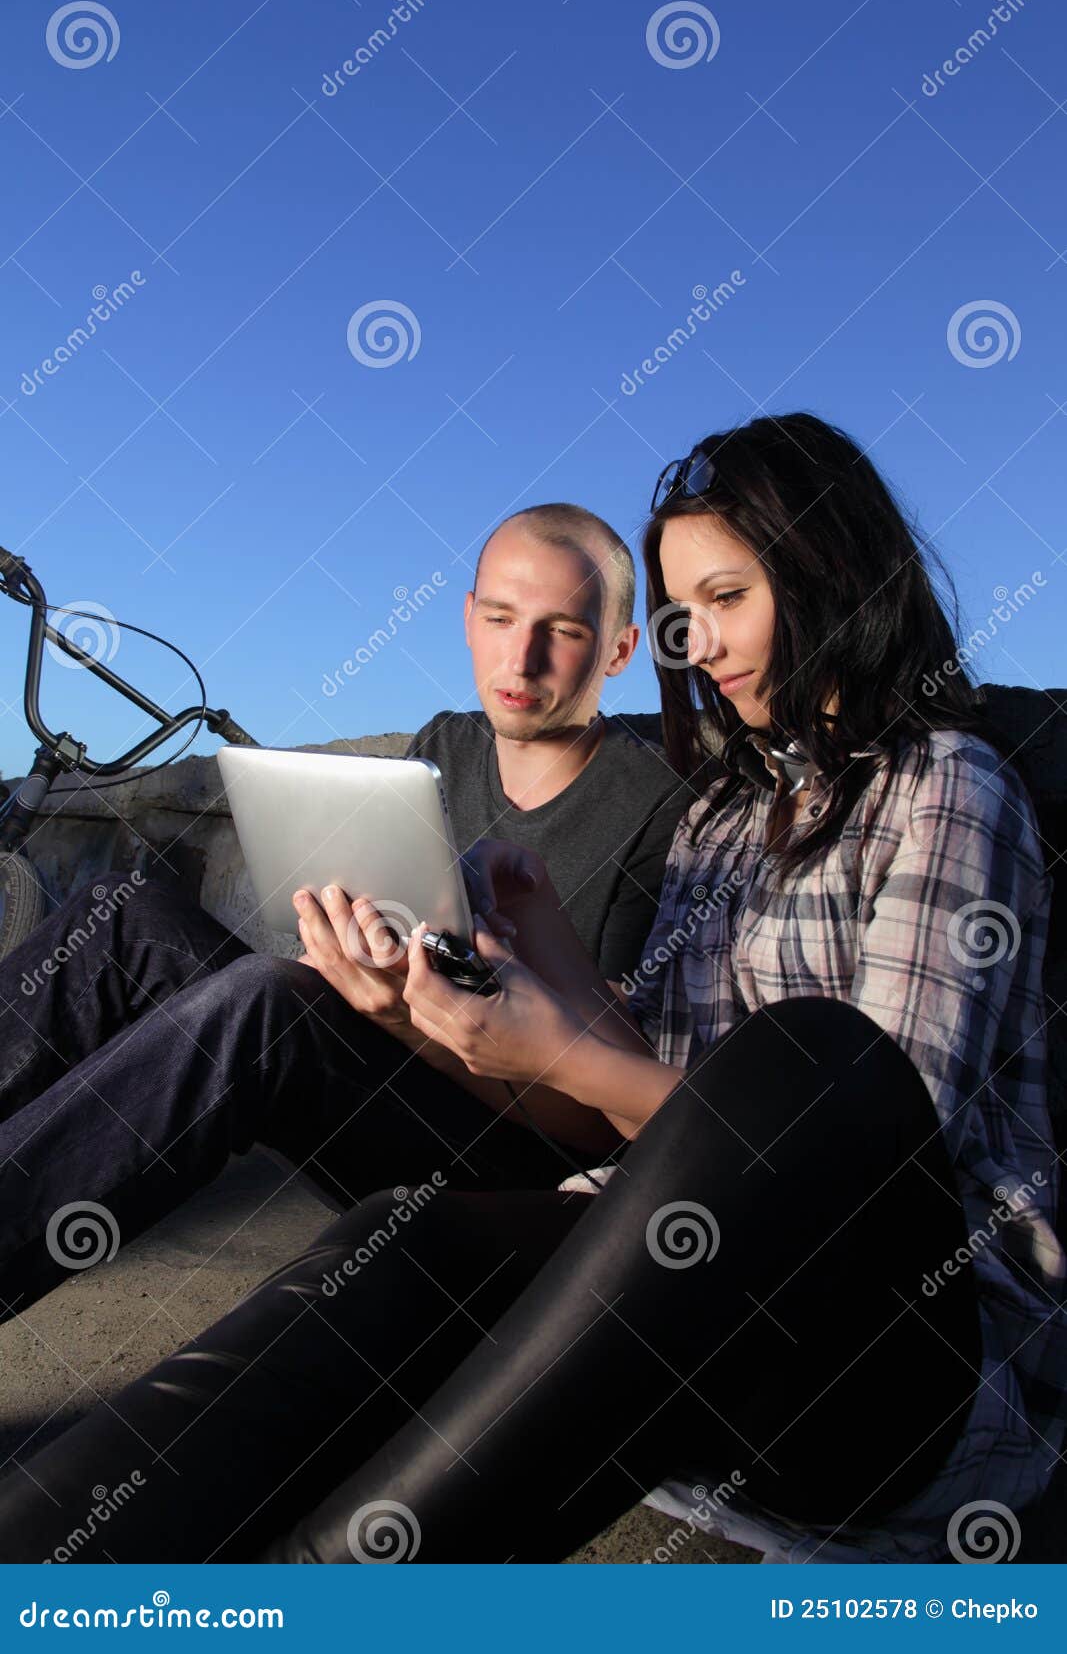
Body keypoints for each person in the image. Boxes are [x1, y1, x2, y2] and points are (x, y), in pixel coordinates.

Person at [1, 412, 1062, 1567]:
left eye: (728, 597)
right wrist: (536, 957)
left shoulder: (941, 790)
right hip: (668, 1270)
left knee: (808, 1062)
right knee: (411, 1237)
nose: (698, 642)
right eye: (681, 613)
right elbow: (642, 1113)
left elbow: (866, 1162)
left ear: (833, 578)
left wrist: (551, 1048)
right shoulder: (722, 819)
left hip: (885, 1354)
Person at [0, 503, 692, 1315]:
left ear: (618, 650)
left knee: (262, 1000)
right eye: (501, 618)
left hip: (522, 1164)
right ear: (468, 620)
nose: (522, 656)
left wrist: (405, 1020)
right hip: (383, 1065)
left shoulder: (658, 805)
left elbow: (601, 1120)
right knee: (128, 915)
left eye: (563, 631)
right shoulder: (446, 748)